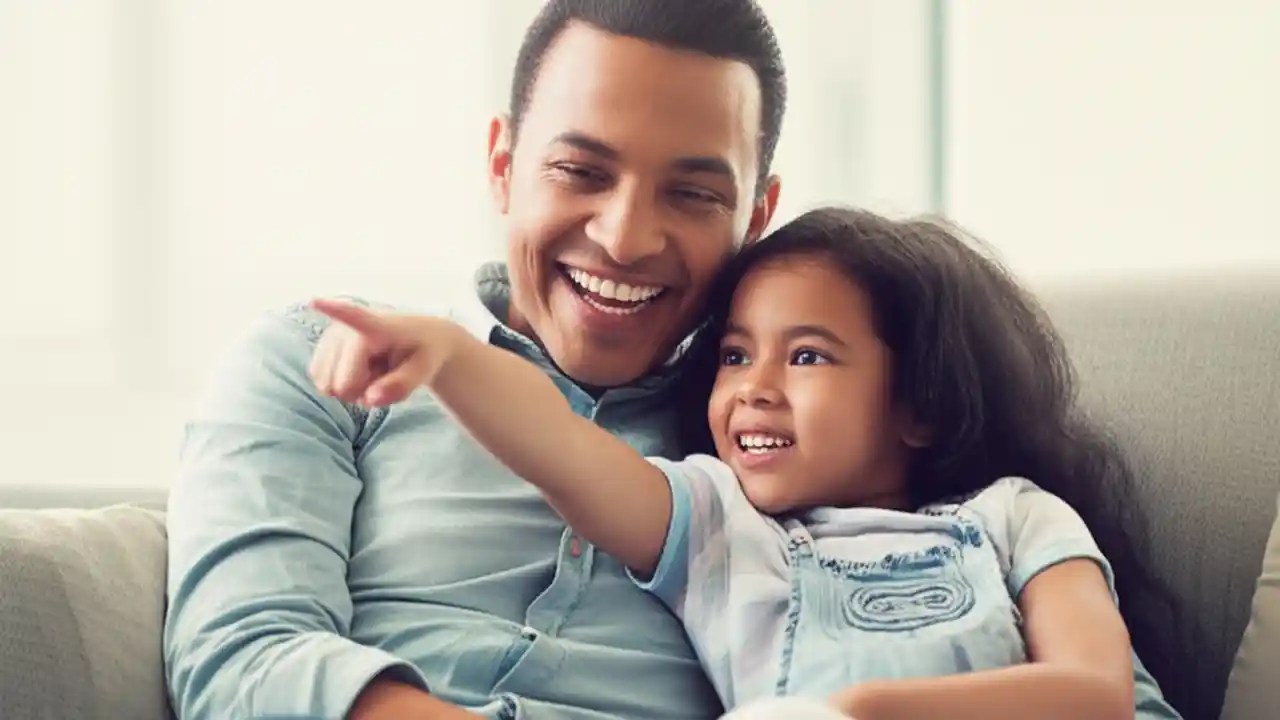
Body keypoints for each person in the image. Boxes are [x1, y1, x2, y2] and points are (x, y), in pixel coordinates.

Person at [308, 207, 1184, 719]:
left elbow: (1093, 693)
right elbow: (565, 450)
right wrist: (451, 357)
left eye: (806, 358)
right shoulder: (718, 527)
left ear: (918, 404)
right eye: (734, 355)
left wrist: (849, 716)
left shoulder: (1014, 516)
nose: (753, 389)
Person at [163, 1, 784, 718]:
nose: (625, 239)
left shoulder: (787, 445)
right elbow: (243, 665)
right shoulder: (314, 365)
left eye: (693, 194)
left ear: (757, 218)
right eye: (579, 171)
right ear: (502, 166)